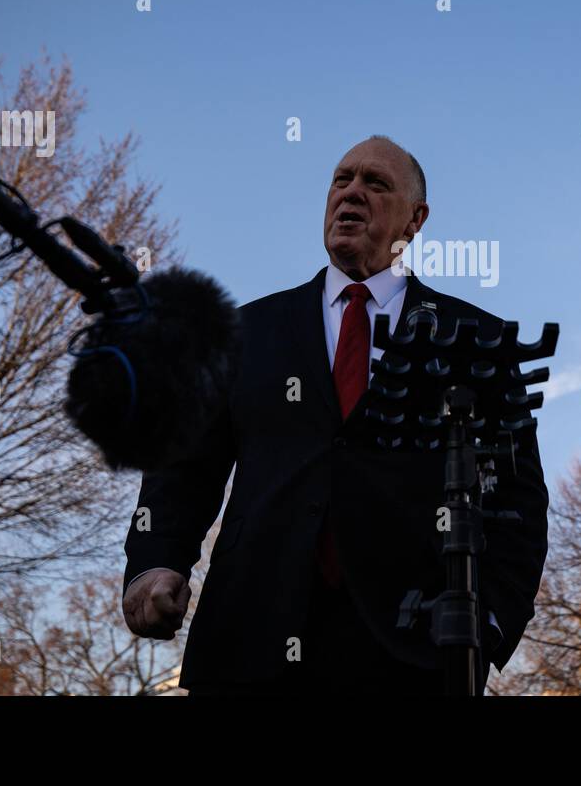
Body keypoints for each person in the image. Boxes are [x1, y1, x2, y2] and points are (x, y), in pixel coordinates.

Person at [121, 135, 548, 695]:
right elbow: (184, 464)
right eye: (341, 179)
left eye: (375, 183)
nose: (351, 193)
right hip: (247, 644)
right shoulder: (242, 333)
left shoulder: (476, 341)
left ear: (415, 219)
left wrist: (485, 623)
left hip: (413, 659)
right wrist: (157, 560)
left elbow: (516, 500)